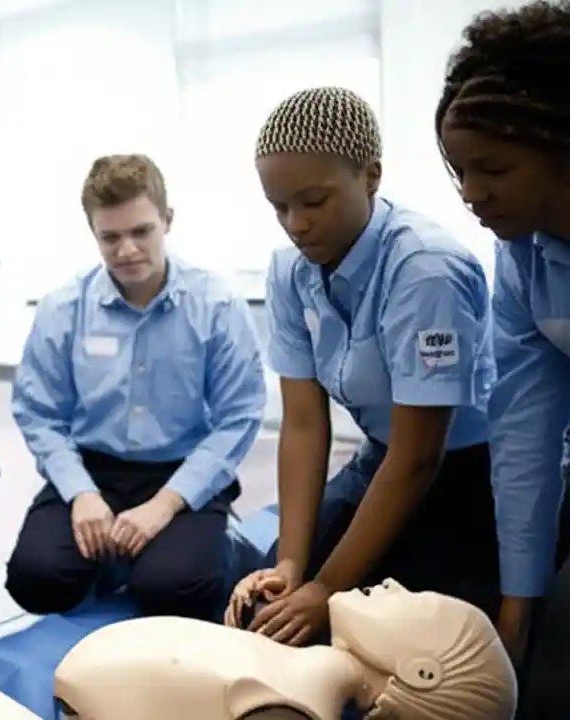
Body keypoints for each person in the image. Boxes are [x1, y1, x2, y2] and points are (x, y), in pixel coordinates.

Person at [226, 86, 500, 648]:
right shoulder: (289, 271)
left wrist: (327, 589)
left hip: (474, 473)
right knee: (264, 608)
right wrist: (291, 565)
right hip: (382, 456)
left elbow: (421, 455)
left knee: (405, 645)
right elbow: (303, 425)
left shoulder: (425, 270)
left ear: (371, 176)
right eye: (279, 207)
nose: (295, 224)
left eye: (314, 201)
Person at [6, 153, 266, 622]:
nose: (126, 250)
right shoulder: (63, 308)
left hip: (180, 472)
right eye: (111, 237)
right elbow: (38, 413)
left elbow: (238, 418)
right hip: (95, 468)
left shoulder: (218, 304)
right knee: (35, 580)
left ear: (167, 220)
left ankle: (217, 545)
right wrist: (81, 493)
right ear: (94, 234)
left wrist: (165, 506)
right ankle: (123, 552)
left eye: (141, 231)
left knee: (173, 588)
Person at [436, 2, 570, 713]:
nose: (470, 194)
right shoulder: (520, 257)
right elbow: (524, 430)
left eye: (492, 168)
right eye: (459, 170)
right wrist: (518, 603)